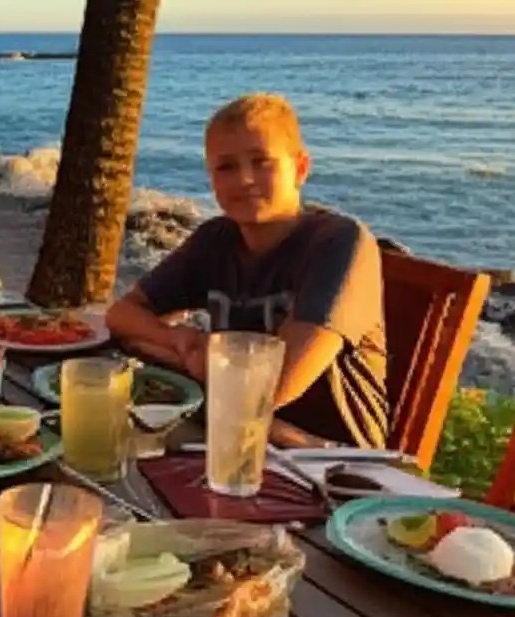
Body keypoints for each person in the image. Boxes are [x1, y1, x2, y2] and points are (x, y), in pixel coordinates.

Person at [105, 93, 389, 449]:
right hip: (232, 430)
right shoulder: (216, 239)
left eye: (262, 162)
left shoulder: (338, 243)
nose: (244, 180)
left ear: (300, 169)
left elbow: (273, 386)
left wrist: (198, 359)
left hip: (328, 461)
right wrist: (183, 341)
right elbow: (122, 315)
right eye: (226, 167)